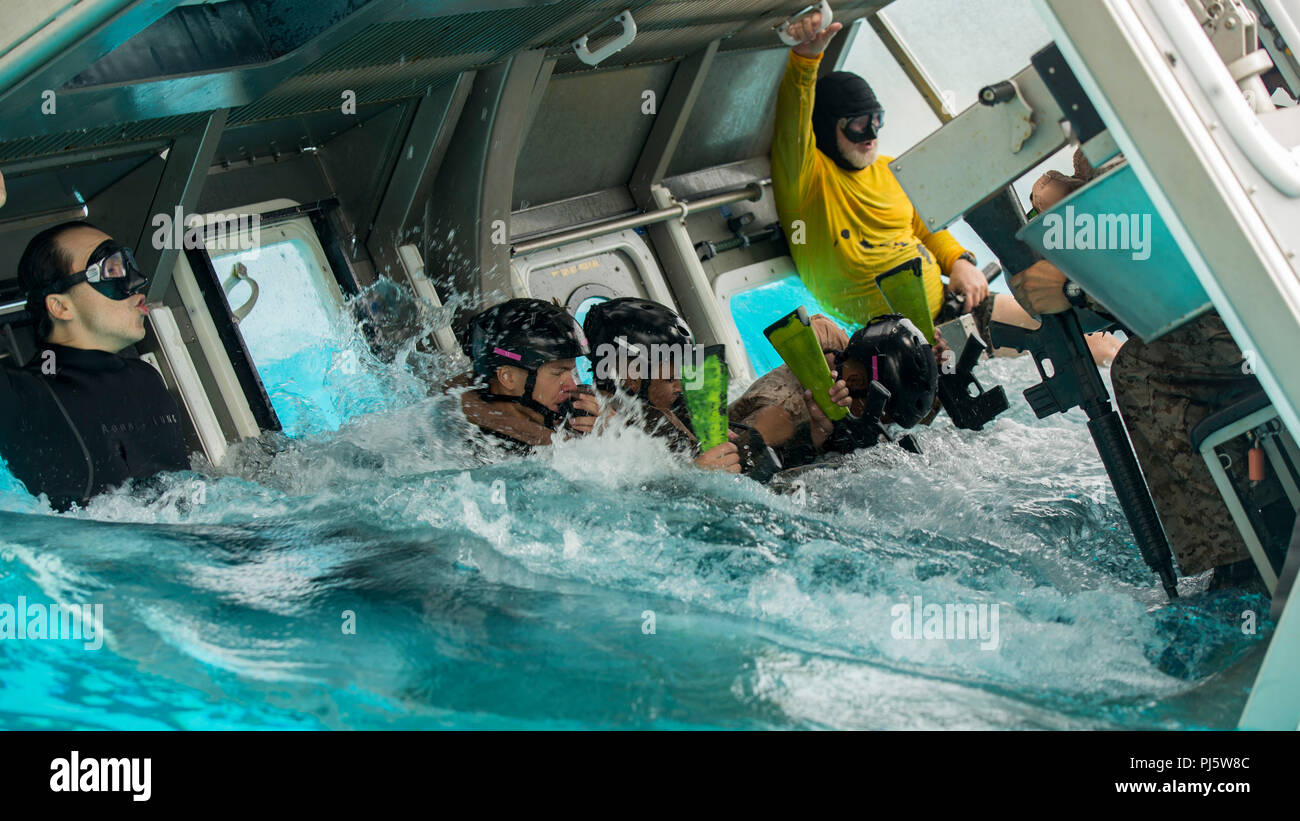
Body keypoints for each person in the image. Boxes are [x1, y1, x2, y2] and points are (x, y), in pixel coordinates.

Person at [773, 11, 1120, 368]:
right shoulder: (807, 183)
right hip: (893, 343)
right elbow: (792, 128)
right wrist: (805, 58)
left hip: (952, 309)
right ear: (829, 128)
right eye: (859, 124)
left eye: (877, 120)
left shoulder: (888, 170)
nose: (872, 133)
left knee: (1095, 348)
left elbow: (927, 230)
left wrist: (960, 263)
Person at [0, 221, 190, 509]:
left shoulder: (146, 377)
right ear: (60, 306)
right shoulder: (24, 394)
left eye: (129, 265)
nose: (136, 281)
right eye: (111, 270)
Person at [728, 312, 934, 469]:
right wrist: (814, 434)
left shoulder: (846, 359)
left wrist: (946, 368)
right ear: (854, 381)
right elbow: (721, 468)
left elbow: (822, 327)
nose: (879, 426)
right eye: (881, 416)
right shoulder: (787, 407)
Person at [582, 297, 740, 473]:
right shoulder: (606, 427)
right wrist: (700, 473)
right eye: (670, 379)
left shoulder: (670, 408)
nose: (680, 388)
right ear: (631, 377)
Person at [457, 298, 602, 453]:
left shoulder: (579, 412)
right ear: (508, 378)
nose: (572, 385)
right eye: (558, 372)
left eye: (572, 371)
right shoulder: (483, 453)